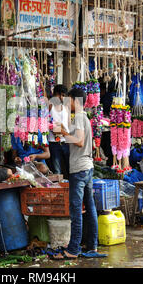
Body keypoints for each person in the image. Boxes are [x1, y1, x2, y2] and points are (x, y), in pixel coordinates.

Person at [51, 88, 104, 259]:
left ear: (76, 101)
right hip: (86, 167)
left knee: (75, 210)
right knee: (89, 207)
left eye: (69, 100)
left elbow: (79, 142)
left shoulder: (79, 117)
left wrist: (64, 133)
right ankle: (91, 245)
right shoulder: (84, 117)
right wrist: (63, 135)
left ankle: (73, 250)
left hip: (80, 169)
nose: (67, 103)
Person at [48, 84, 70, 178]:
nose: (61, 98)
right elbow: (46, 121)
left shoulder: (66, 107)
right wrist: (55, 129)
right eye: (60, 95)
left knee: (69, 167)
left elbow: (68, 124)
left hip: (65, 140)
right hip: (53, 141)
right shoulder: (50, 105)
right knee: (56, 169)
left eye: (63, 95)